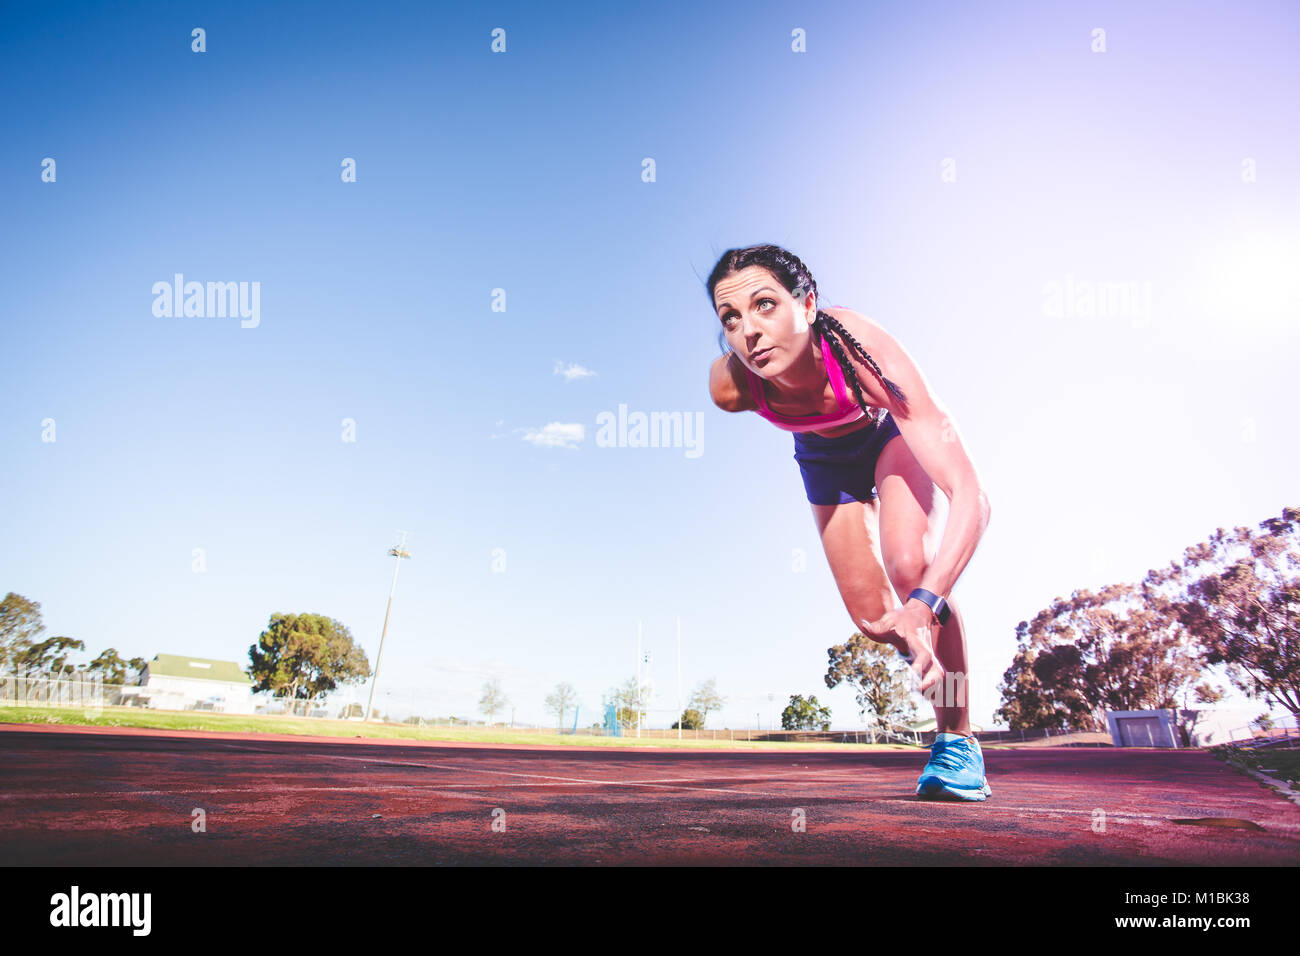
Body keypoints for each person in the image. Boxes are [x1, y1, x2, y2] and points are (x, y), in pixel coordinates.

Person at [706, 244, 993, 801]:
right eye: (731, 318)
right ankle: (916, 637)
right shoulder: (731, 387)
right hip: (822, 458)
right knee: (875, 620)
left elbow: (971, 494)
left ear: (808, 303)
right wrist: (904, 619)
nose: (749, 331)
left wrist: (927, 600)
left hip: (888, 437)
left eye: (765, 304)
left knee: (911, 567)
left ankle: (957, 740)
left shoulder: (865, 354)